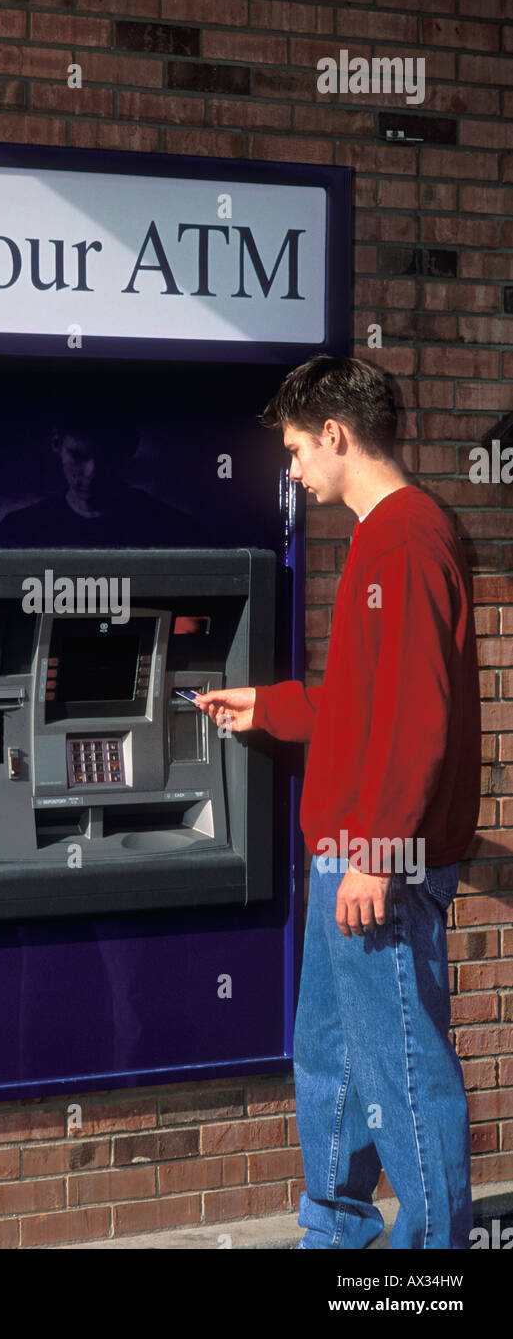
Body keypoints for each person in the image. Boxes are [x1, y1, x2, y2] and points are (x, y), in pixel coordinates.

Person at [196, 355, 481, 1250]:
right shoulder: (383, 537)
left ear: (334, 434)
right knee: (328, 1061)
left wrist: (372, 852)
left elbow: (416, 716)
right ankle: (334, 1238)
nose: (290, 470)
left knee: (401, 1074)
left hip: (376, 864)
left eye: (292, 449)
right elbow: (368, 702)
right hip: (347, 857)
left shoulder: (404, 536)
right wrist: (270, 707)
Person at [0, 410, 207, 547]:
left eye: (108, 458)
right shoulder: (18, 530)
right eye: (78, 456)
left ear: (130, 448)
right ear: (56, 443)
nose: (92, 473)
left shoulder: (174, 530)